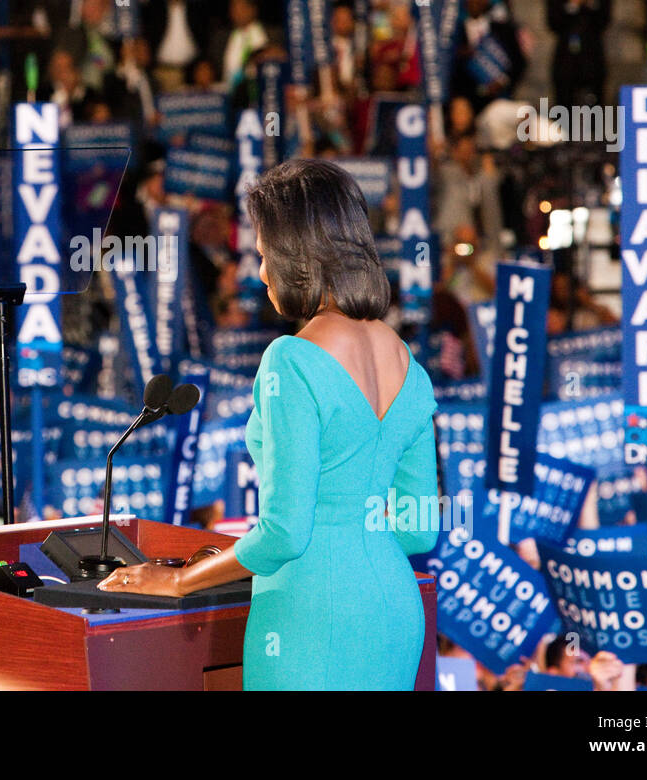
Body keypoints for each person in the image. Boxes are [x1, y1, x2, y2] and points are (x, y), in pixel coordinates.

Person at [99, 159, 440, 690]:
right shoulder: (411, 368)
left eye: (263, 254)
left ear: (298, 253)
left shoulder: (292, 360)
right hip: (394, 614)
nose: (259, 273)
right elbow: (420, 528)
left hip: (309, 619)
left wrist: (179, 579)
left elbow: (284, 532)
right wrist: (351, 540)